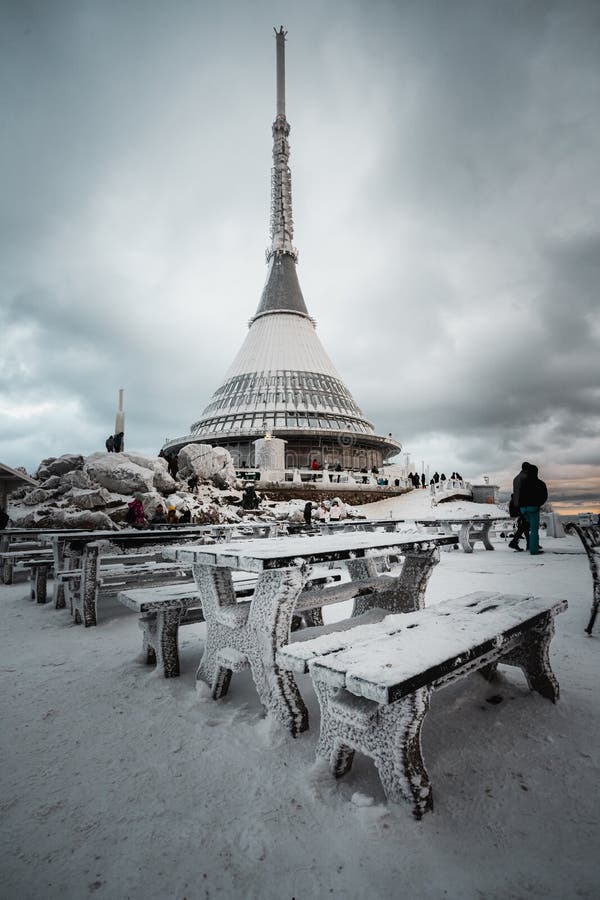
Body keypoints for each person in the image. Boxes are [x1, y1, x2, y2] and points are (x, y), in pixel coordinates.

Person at [518, 464, 548, 555]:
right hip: (533, 508)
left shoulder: (523, 483)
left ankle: (528, 545)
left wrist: (522, 508)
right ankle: (534, 549)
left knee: (526, 527)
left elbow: (519, 496)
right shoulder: (540, 483)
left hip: (523, 509)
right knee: (534, 529)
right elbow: (544, 497)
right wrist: (538, 504)